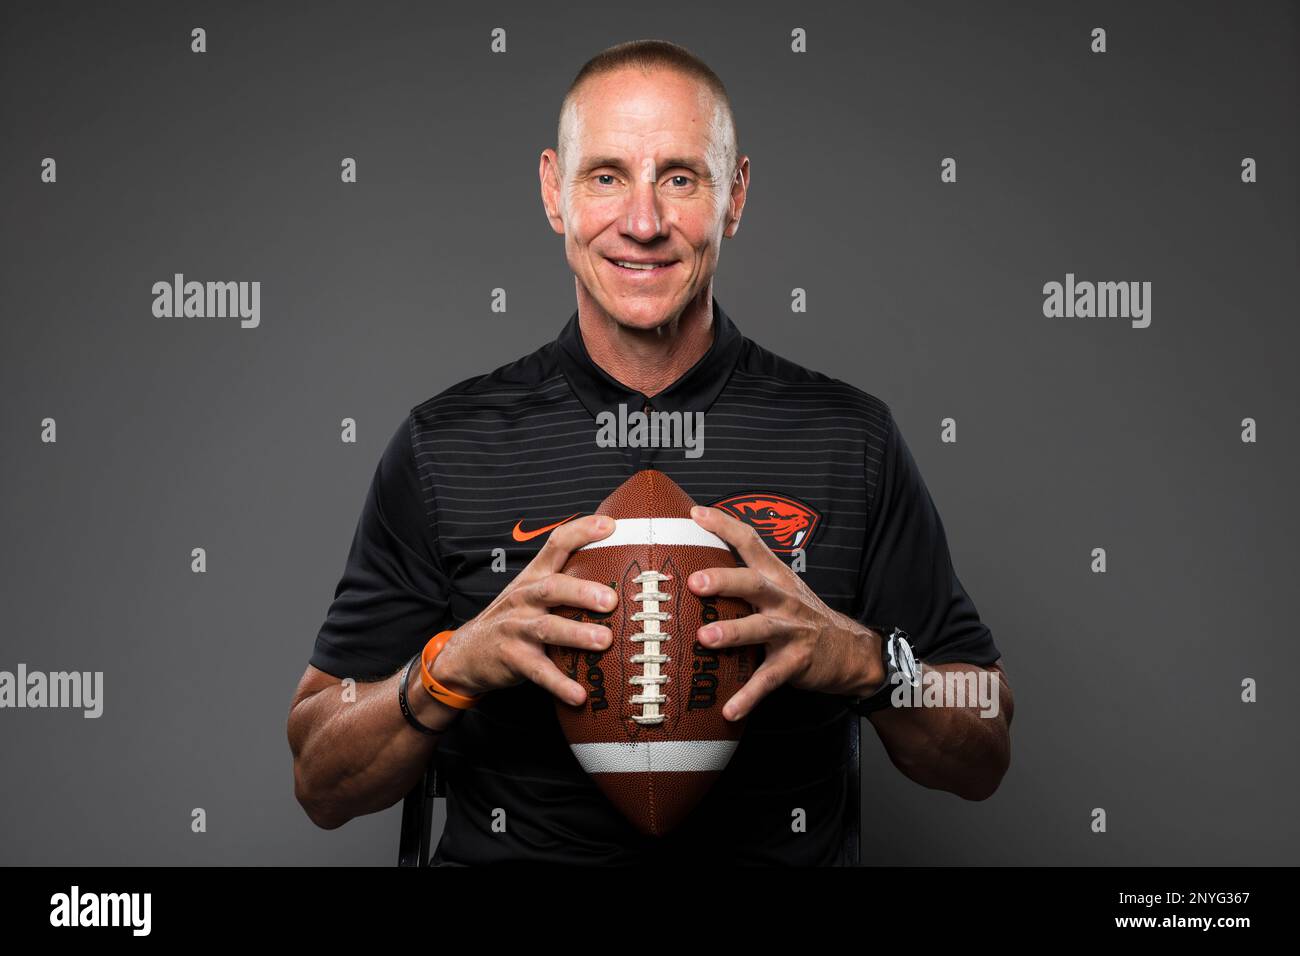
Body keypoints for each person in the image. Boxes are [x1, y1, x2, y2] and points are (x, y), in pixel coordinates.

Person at [287, 39, 1013, 865]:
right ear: (553, 193)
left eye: (679, 176)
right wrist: (448, 669)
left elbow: (984, 743)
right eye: (605, 176)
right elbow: (321, 775)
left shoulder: (849, 439)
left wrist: (871, 662)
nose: (643, 222)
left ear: (734, 197)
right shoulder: (447, 445)